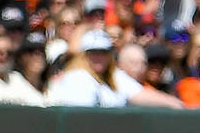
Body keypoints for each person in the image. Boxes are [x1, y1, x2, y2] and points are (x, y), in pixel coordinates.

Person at [48, 30, 185, 107]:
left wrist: (178, 105)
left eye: (103, 52)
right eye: (93, 52)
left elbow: (141, 94)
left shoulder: (113, 76)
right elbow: (82, 120)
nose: (99, 57)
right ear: (84, 55)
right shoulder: (76, 77)